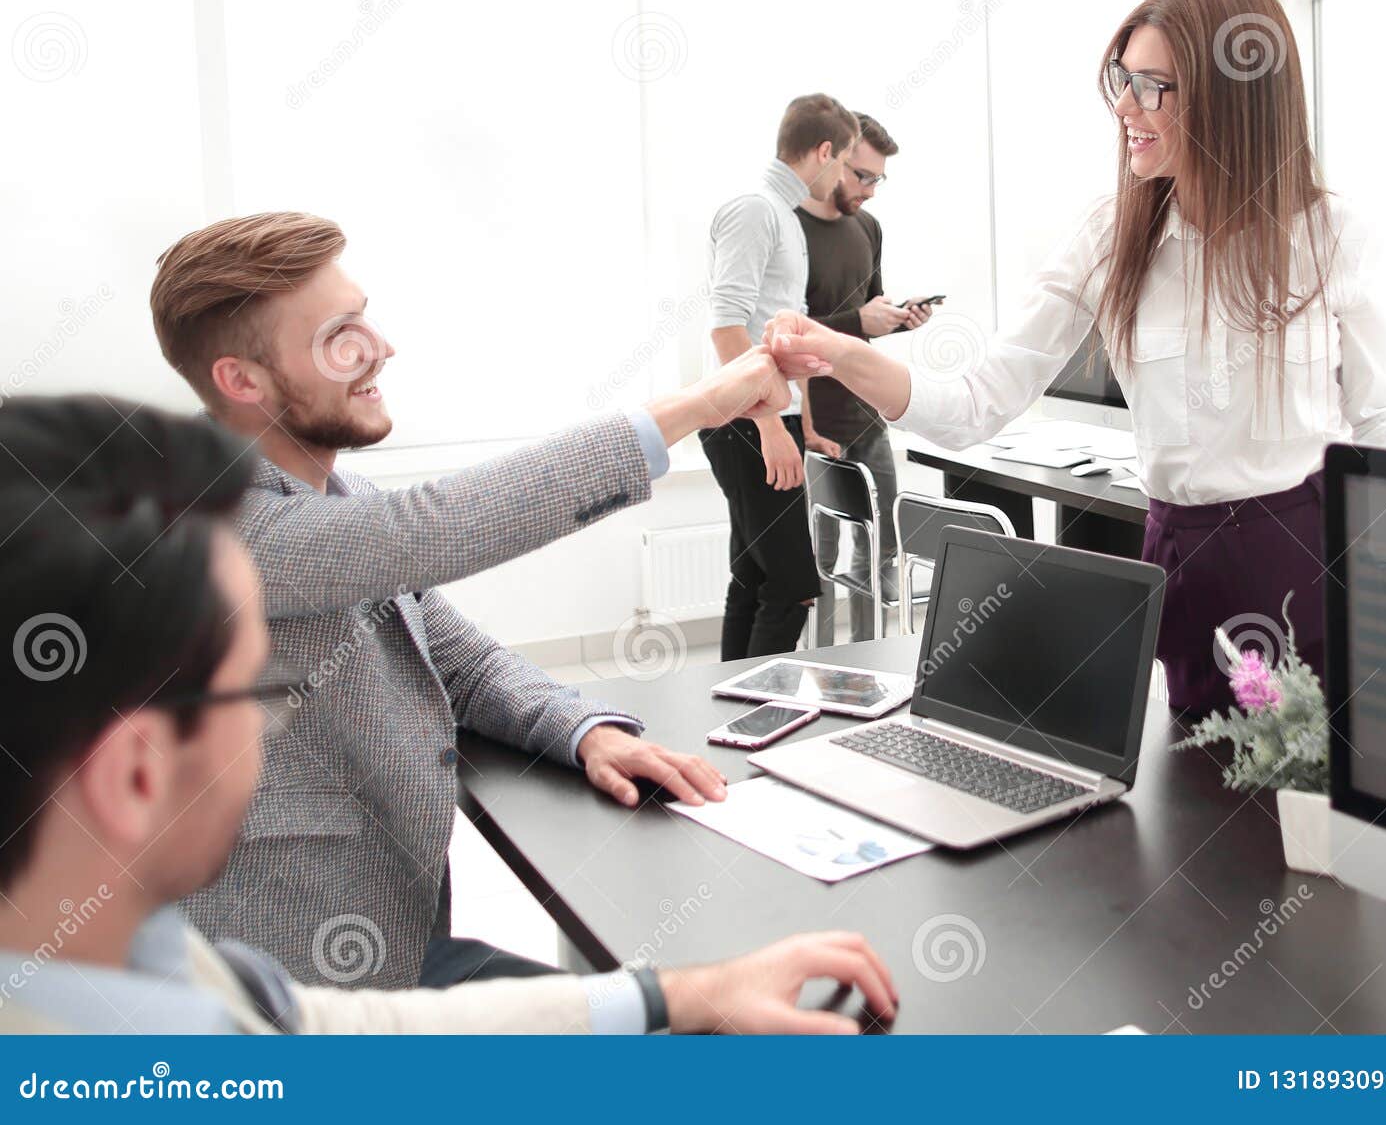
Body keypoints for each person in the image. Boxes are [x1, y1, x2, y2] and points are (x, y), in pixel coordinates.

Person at [0, 397, 899, 1035]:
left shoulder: (161, 971)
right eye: (255, 693)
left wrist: (676, 997)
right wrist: (697, 404)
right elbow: (434, 526)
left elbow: (324, 1028)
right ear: (137, 771)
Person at [146, 212, 795, 990]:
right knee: (685, 1023)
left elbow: (460, 659)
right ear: (241, 381)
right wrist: (699, 403)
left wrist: (584, 729)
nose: (381, 347)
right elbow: (428, 529)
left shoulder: (326, 493)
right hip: (300, 994)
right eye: (339, 334)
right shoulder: (215, 523)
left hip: (397, 941)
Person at [764, 0, 1386, 715]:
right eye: (1122, 80)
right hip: (1183, 555)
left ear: (1232, 96)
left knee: (1308, 801)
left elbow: (1385, 422)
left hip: (1307, 556)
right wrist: (840, 352)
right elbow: (977, 403)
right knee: (1198, 796)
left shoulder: (1334, 234)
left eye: (1152, 86)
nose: (1124, 107)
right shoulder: (1112, 236)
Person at [702, 94, 859, 660]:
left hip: (766, 418)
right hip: (744, 422)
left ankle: (728, 714)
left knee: (754, 578)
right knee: (793, 588)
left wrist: (803, 426)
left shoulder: (783, 217)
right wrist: (770, 426)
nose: (842, 176)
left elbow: (787, 341)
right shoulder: (755, 209)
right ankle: (759, 716)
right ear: (823, 152)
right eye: (842, 162)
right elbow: (725, 329)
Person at [796, 111, 935, 643]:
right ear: (830, 159)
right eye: (863, 176)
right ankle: (826, 674)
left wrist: (896, 318)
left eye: (879, 179)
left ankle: (871, 673)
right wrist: (859, 321)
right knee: (824, 565)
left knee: (883, 558)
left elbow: (863, 322)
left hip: (867, 420)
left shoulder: (869, 228)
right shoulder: (790, 228)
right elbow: (783, 333)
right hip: (815, 426)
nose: (872, 190)